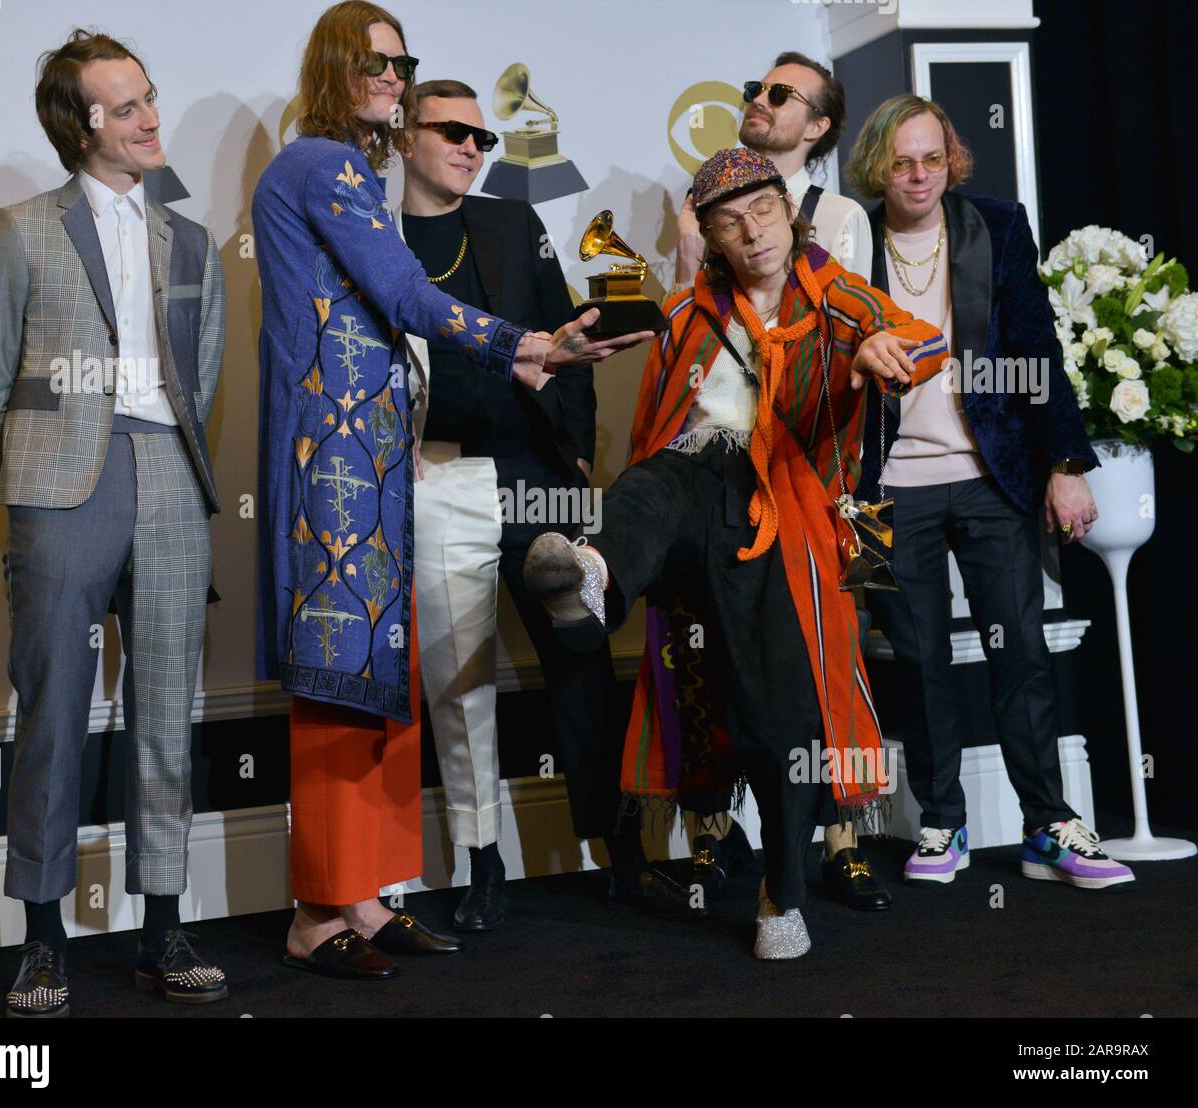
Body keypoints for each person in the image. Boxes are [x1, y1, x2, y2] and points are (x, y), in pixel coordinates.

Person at [251, 1, 650, 982]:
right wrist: (524, 342)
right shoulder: (323, 164)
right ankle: (317, 914)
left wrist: (527, 364)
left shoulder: (362, 176)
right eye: (376, 64)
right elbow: (402, 297)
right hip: (337, 470)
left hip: (380, 463)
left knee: (382, 685)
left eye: (402, 63)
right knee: (341, 688)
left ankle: (369, 898)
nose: (392, 78)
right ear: (335, 70)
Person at [524, 148, 950, 958]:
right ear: (710, 237)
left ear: (787, 213)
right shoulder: (686, 313)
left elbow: (921, 342)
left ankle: (784, 892)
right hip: (699, 484)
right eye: (727, 222)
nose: (749, 232)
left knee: (781, 710)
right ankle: (595, 569)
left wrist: (875, 356)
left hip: (790, 514)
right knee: (655, 480)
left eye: (760, 212)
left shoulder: (843, 298)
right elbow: (656, 425)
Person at [0, 29, 228, 1016]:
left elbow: (200, 383)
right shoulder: (22, 230)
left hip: (170, 475)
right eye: (125, 107)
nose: (150, 117)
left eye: (149, 97)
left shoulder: (191, 241)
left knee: (166, 714)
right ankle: (41, 939)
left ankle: (163, 928)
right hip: (56, 486)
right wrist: (34, 478)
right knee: (52, 717)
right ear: (81, 127)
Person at [399, 80, 696, 930]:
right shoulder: (373, 237)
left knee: (582, 661)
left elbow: (572, 336)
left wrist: (569, 451)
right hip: (439, 479)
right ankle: (481, 861)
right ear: (403, 137)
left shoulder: (510, 224)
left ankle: (621, 854)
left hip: (535, 474)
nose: (471, 148)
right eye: (454, 131)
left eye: (483, 138)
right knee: (460, 684)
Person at [846, 95, 1135, 891]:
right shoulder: (846, 237)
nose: (917, 175)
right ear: (878, 164)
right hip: (883, 491)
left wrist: (1065, 464)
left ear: (952, 158)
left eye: (932, 159)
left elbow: (1036, 344)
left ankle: (1051, 823)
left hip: (991, 478)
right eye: (902, 161)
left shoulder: (996, 226)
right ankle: (941, 819)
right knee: (918, 660)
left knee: (1023, 653)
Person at [671, 52, 888, 911]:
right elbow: (687, 343)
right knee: (708, 644)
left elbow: (866, 336)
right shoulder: (702, 209)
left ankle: (844, 833)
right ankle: (715, 835)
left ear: (821, 126)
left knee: (842, 637)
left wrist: (857, 491)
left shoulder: (838, 217)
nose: (757, 102)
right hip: (730, 467)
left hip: (841, 465)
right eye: (756, 90)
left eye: (781, 95)